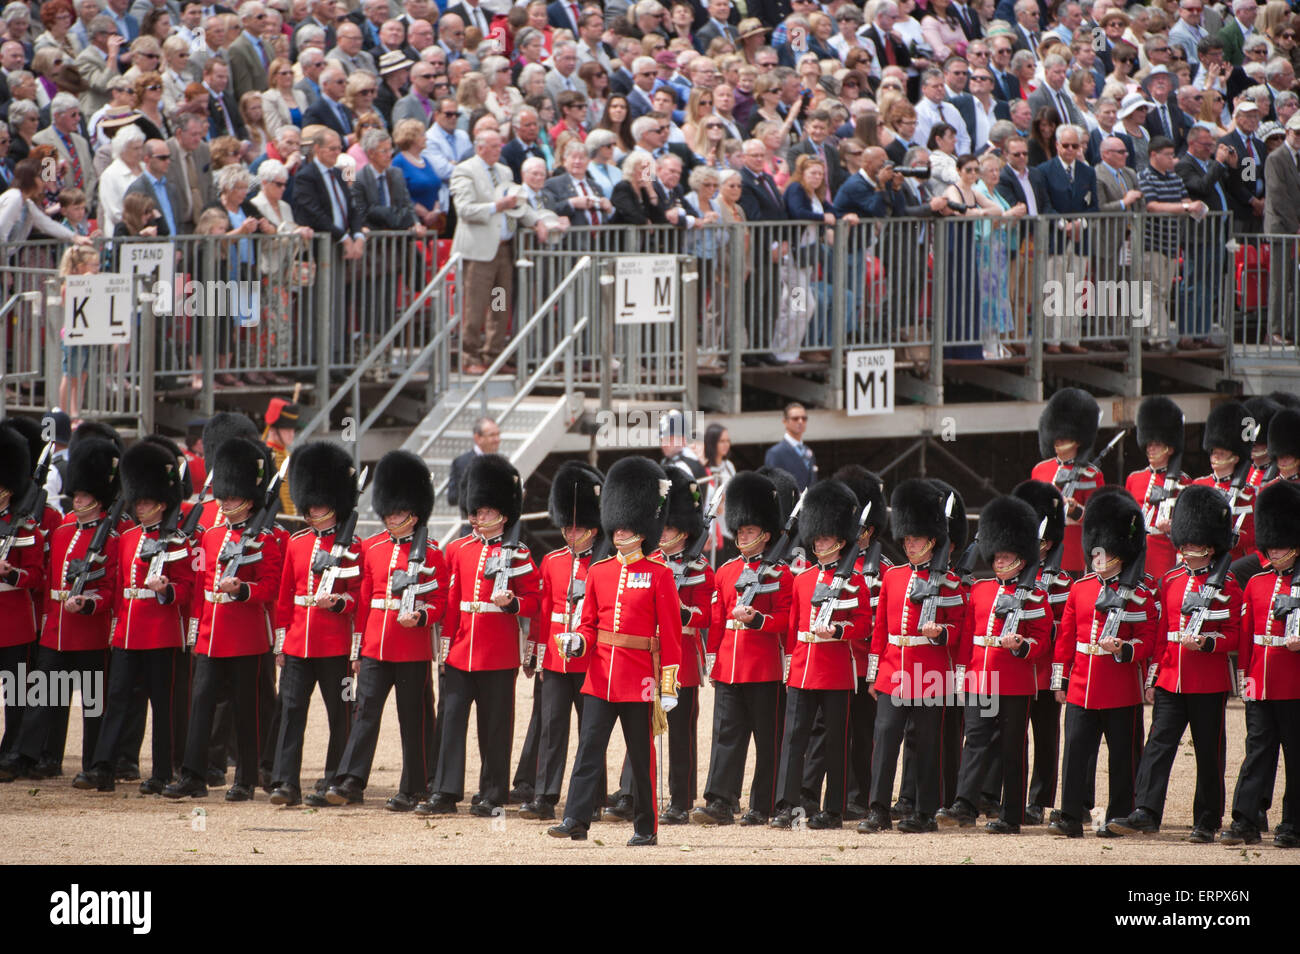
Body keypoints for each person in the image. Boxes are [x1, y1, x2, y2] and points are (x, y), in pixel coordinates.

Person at [547, 456, 683, 845]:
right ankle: (575, 818)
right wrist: (578, 641)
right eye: (617, 525)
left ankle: (645, 827)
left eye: (627, 525)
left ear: (642, 529)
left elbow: (671, 635)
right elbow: (589, 624)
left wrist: (668, 684)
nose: (620, 531)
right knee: (588, 749)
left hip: (639, 680)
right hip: (600, 677)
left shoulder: (660, 575)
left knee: (641, 757)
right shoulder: (599, 571)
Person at [1108, 485, 1242, 842]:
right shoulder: (1170, 580)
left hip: (1208, 680)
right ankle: (1146, 810)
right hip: (1170, 678)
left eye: (1193, 544)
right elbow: (1160, 634)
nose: (1186, 550)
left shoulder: (1228, 585)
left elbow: (1233, 635)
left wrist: (1208, 642)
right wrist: (1153, 677)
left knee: (1208, 752)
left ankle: (1207, 819)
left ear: (1209, 547)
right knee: (1158, 745)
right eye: (1184, 544)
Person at [160, 436, 282, 802]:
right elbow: (200, 586)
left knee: (247, 709)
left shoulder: (266, 538)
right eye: (224, 497)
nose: (225, 503)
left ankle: (245, 778)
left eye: (232, 497)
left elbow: (270, 586)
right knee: (201, 705)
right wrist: (197, 630)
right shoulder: (211, 535)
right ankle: (193, 775)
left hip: (246, 635)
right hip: (212, 633)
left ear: (249, 498)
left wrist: (243, 590)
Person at [72, 438, 193, 794]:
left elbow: (187, 589)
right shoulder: (126, 539)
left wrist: (166, 590)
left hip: (160, 632)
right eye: (137, 501)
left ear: (162, 503)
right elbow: (117, 586)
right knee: (117, 701)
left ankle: (161, 773)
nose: (140, 507)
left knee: (162, 705)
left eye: (146, 502)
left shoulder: (178, 541)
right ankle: (103, 767)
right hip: (128, 631)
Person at [325, 451, 445, 810]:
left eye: (399, 512)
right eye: (389, 512)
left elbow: (440, 600)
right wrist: (358, 650)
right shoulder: (372, 547)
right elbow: (363, 602)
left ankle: (416, 786)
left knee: (414, 719)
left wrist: (421, 617)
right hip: (375, 645)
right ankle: (351, 780)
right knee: (364, 712)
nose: (392, 518)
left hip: (411, 647)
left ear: (414, 514)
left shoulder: (432, 552)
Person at [425, 454, 540, 816]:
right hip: (461, 651)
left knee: (495, 728)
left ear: (504, 515)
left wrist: (513, 604)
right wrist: (445, 651)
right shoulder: (458, 549)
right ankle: (445, 791)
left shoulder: (519, 553)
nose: (480, 517)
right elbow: (451, 602)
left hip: (498, 652)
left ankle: (492, 793)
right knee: (451, 722)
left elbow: (535, 600)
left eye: (488, 511)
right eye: (478, 511)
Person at [0, 438, 119, 782]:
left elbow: (110, 589)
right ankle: (25, 756)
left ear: (98, 499)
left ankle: (94, 764)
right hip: (57, 629)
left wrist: (89, 603)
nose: (76, 500)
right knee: (43, 698)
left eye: (83, 496)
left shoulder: (110, 538)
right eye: (76, 495)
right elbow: (48, 579)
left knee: (93, 704)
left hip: (89, 631)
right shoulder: (64, 530)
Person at [938, 494, 1051, 833]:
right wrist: (963, 675)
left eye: (1007, 557)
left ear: (1021, 559)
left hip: (1014, 681)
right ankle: (965, 804)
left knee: (1012, 747)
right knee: (975, 739)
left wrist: (1022, 646)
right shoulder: (982, 590)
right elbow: (967, 637)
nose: (1000, 562)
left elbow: (1042, 640)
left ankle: (1012, 815)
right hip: (980, 679)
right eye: (997, 557)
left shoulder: (1036, 595)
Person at [1049, 489, 1159, 838]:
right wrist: (1060, 679)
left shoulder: (1140, 593)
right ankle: (1070, 814)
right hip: (1082, 685)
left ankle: (1119, 815)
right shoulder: (1080, 588)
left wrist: (1125, 649)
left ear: (1121, 554)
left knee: (1123, 757)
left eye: (1106, 552)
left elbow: (1148, 639)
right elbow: (1066, 639)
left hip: (1120, 686)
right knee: (1075, 752)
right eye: (1096, 551)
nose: (1099, 558)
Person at [861, 478, 967, 834]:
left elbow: (959, 628)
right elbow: (880, 630)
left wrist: (940, 634)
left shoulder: (949, 582)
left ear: (932, 541)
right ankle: (878, 810)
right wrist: (874, 674)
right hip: (893, 672)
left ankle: (924, 812)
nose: (909, 545)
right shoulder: (893, 577)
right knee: (885, 738)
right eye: (906, 539)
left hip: (930, 673)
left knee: (926, 745)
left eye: (916, 540)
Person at [266, 441, 362, 808]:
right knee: (291, 712)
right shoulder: (297, 542)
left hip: (335, 644)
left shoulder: (353, 546)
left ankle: (337, 779)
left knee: (340, 714)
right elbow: (285, 596)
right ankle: (285, 781)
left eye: (319, 505)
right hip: (297, 643)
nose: (313, 511)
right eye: (310, 505)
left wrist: (338, 603)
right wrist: (281, 643)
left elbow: (357, 596)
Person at [770, 479, 869, 831]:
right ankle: (786, 805)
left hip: (836, 670)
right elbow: (793, 628)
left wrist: (839, 631)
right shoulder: (803, 579)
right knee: (793, 740)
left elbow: (863, 624)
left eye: (826, 539)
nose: (820, 544)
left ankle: (834, 810)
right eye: (818, 538)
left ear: (840, 541)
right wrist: (790, 667)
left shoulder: (855, 580)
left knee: (836, 743)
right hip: (802, 669)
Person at [518, 462, 607, 821]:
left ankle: (593, 800)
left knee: (591, 733)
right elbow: (541, 617)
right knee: (552, 730)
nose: (571, 534)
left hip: (590, 661)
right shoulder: (552, 562)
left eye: (579, 528)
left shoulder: (604, 565)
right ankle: (545, 796)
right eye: (568, 528)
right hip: (555, 661)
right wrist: (536, 657)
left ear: (594, 529)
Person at [1220, 478, 1300, 847]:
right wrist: (1247, 683)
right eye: (1272, 545)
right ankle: (1246, 819)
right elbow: (1247, 638)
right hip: (1261, 682)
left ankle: (1293, 824)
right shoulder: (1257, 583)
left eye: (1282, 545)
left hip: (1294, 684)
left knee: (1296, 757)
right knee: (1257, 753)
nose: (1275, 551)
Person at [450, 128, 552, 375]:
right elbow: (464, 209)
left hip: (504, 251)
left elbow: (519, 204)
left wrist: (537, 221)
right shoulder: (465, 170)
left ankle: (493, 354)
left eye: (500, 146)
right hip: (479, 252)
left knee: (499, 304)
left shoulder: (504, 172)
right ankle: (469, 356)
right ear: (480, 147)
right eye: (494, 146)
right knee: (475, 306)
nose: (499, 150)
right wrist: (497, 206)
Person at [0, 427, 44, 762]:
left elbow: (35, 575)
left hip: (13, 618)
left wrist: (10, 573)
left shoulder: (27, 529)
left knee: (15, 693)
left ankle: (12, 750)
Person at [1031, 387, 1104, 576]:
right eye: (1056, 437)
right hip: (1042, 550)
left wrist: (1075, 510)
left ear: (1077, 440)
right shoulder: (1040, 470)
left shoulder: (1091, 474)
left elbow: (1098, 519)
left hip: (1071, 553)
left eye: (1064, 438)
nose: (1058, 441)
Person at [1125, 396, 1190, 581]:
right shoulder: (1134, 479)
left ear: (1170, 448)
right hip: (1137, 555)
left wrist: (1172, 527)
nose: (1151, 449)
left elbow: (1189, 528)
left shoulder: (1183, 482)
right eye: (1149, 444)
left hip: (1164, 557)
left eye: (1157, 444)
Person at [1192, 401, 1258, 561]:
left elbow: (1253, 533)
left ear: (1235, 458)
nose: (1215, 457)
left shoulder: (1248, 492)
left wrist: (1234, 537)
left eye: (1221, 453)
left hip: (1232, 561)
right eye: (1213, 452)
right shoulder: (1198, 485)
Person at [446, 417, 501, 509]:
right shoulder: (462, 463)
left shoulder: (503, 461)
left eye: (498, 434)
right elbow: (452, 497)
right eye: (492, 435)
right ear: (477, 438)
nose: (497, 439)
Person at [762, 402, 817, 491]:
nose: (800, 421)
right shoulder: (775, 453)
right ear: (785, 422)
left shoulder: (808, 451)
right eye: (795, 418)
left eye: (804, 418)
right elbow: (773, 485)